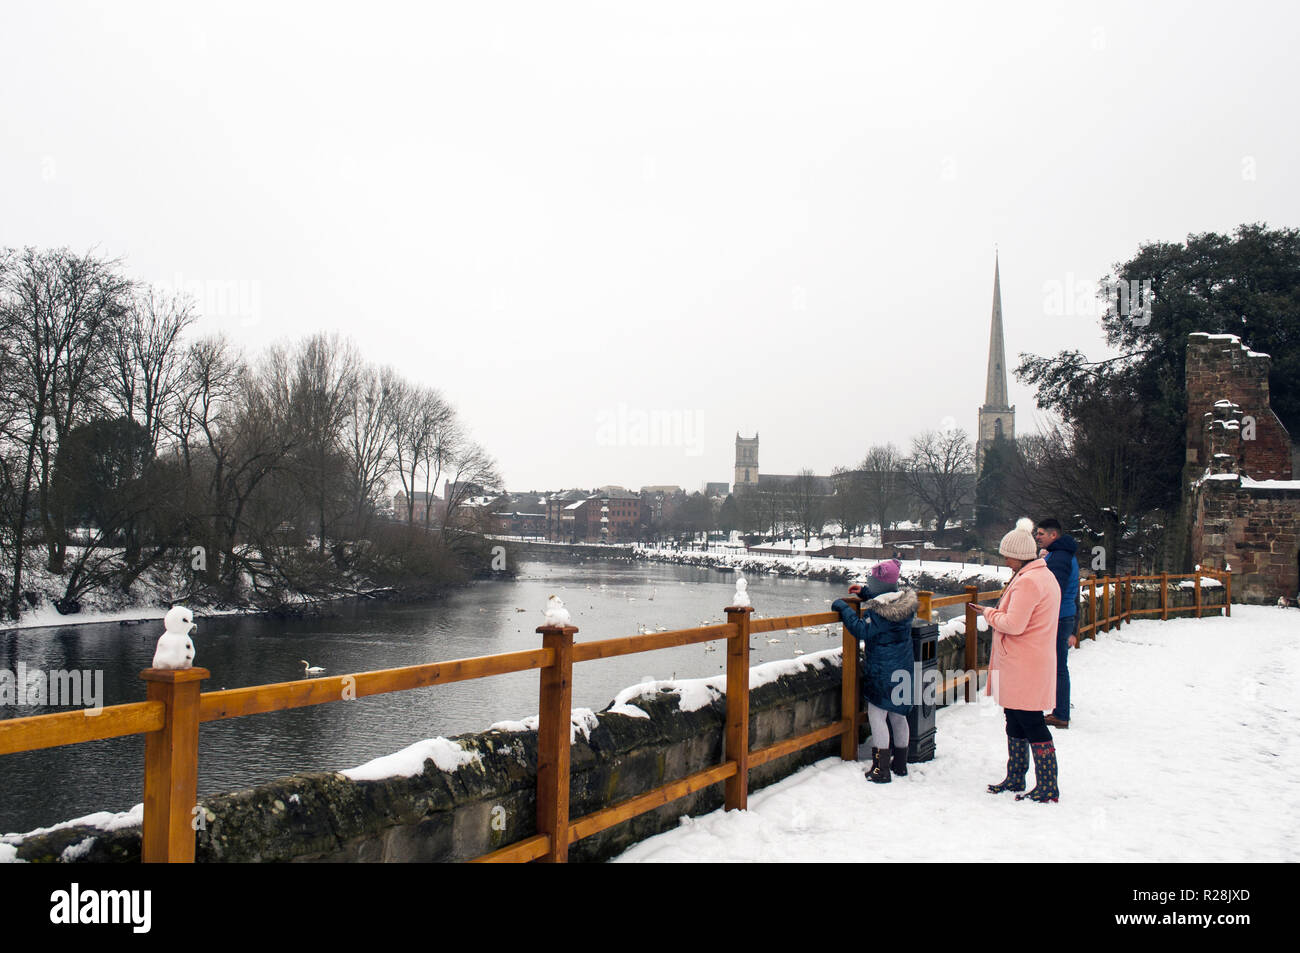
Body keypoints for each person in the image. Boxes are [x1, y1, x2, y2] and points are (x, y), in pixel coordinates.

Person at [969, 518, 1062, 803]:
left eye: (1007, 555)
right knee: (1015, 718)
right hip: (1027, 661)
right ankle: (1016, 776)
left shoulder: (1030, 582)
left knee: (1030, 721)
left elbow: (1013, 624)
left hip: (1025, 664)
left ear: (1020, 556)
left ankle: (1047, 785)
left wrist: (987, 613)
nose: (1006, 560)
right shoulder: (1040, 576)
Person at [832, 558, 917, 783]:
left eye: (871, 581)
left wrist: (843, 607)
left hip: (883, 671)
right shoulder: (904, 605)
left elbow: (861, 629)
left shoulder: (879, 614)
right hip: (904, 668)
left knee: (877, 715)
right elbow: (886, 599)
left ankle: (881, 768)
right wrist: (867, 593)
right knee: (899, 716)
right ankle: (900, 764)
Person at [1034, 517, 1079, 729]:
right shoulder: (1063, 554)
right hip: (1065, 616)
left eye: (1041, 533)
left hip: (1058, 617)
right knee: (1058, 665)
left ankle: (1060, 714)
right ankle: (1058, 709)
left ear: (1054, 535)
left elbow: (1053, 590)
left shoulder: (1060, 557)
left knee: (1058, 666)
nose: (1037, 536)